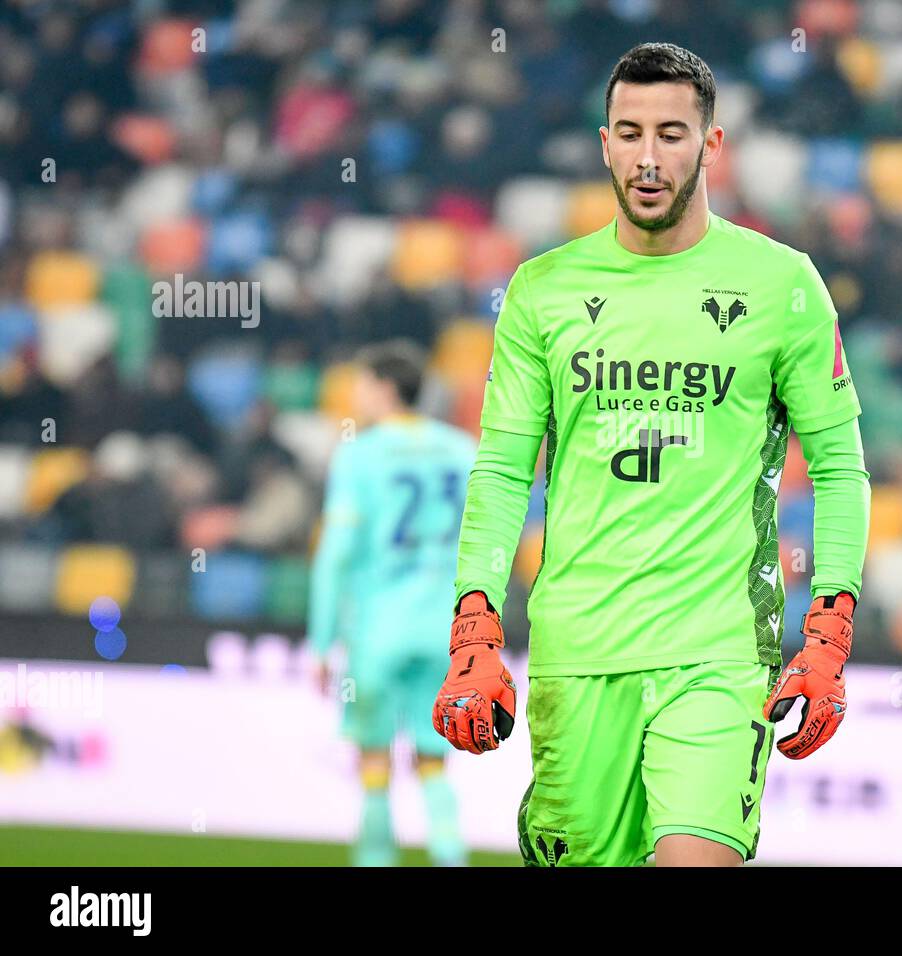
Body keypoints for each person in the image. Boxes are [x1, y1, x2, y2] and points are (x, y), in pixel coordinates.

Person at [434, 43, 870, 867]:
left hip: (719, 648)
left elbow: (841, 467)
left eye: (671, 134)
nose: (647, 157)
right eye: (629, 133)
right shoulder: (542, 290)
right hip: (577, 651)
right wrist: (475, 627)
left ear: (711, 146)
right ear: (604, 144)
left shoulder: (782, 285)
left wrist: (830, 630)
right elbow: (501, 469)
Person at [308, 341, 477, 866]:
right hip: (446, 631)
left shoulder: (360, 452)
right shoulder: (462, 449)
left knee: (375, 761)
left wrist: (320, 642)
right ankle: (451, 855)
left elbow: (335, 555)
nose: (355, 394)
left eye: (361, 384)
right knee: (432, 760)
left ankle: (376, 858)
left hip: (380, 628)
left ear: (383, 389)